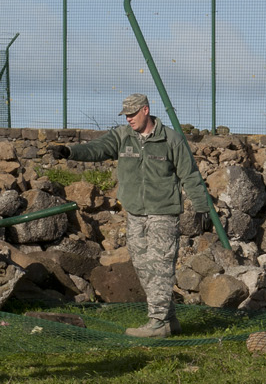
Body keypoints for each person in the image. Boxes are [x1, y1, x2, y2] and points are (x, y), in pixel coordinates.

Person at [63, 93, 210, 338]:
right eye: (126, 115)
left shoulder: (171, 140)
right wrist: (70, 151)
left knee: (160, 267)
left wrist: (201, 206)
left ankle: (157, 323)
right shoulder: (123, 136)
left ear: (145, 110)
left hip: (162, 214)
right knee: (143, 267)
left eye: (132, 114)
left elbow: (190, 174)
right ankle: (170, 319)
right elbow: (96, 149)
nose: (129, 119)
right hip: (135, 214)